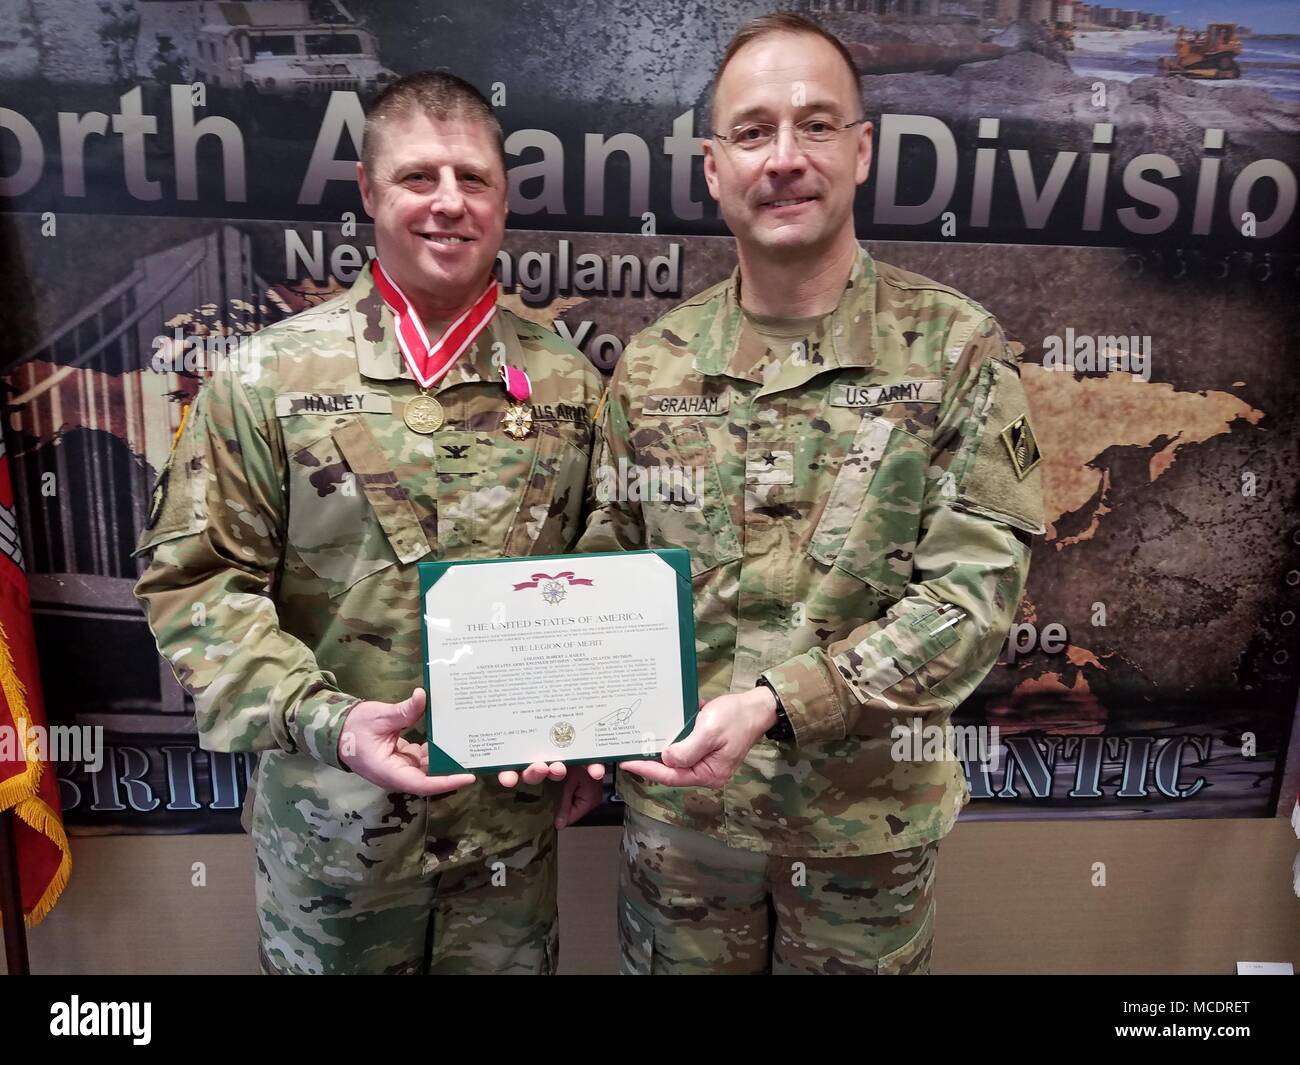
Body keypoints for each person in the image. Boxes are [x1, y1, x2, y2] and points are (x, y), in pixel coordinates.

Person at [555, 12, 1046, 973]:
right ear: (712, 167)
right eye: (752, 131)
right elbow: (609, 562)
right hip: (683, 829)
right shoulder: (655, 364)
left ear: (862, 152)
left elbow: (971, 604)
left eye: (816, 125)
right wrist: (568, 710)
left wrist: (780, 701)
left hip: (864, 836)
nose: (784, 158)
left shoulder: (956, 350)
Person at [134, 72, 602, 974]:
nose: (448, 204)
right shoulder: (266, 377)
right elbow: (195, 583)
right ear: (368, 191)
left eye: (473, 179)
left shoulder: (570, 387)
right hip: (333, 841)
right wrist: (333, 722)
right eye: (417, 178)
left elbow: (603, 572)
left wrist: (595, 733)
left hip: (506, 845)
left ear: (505, 198)